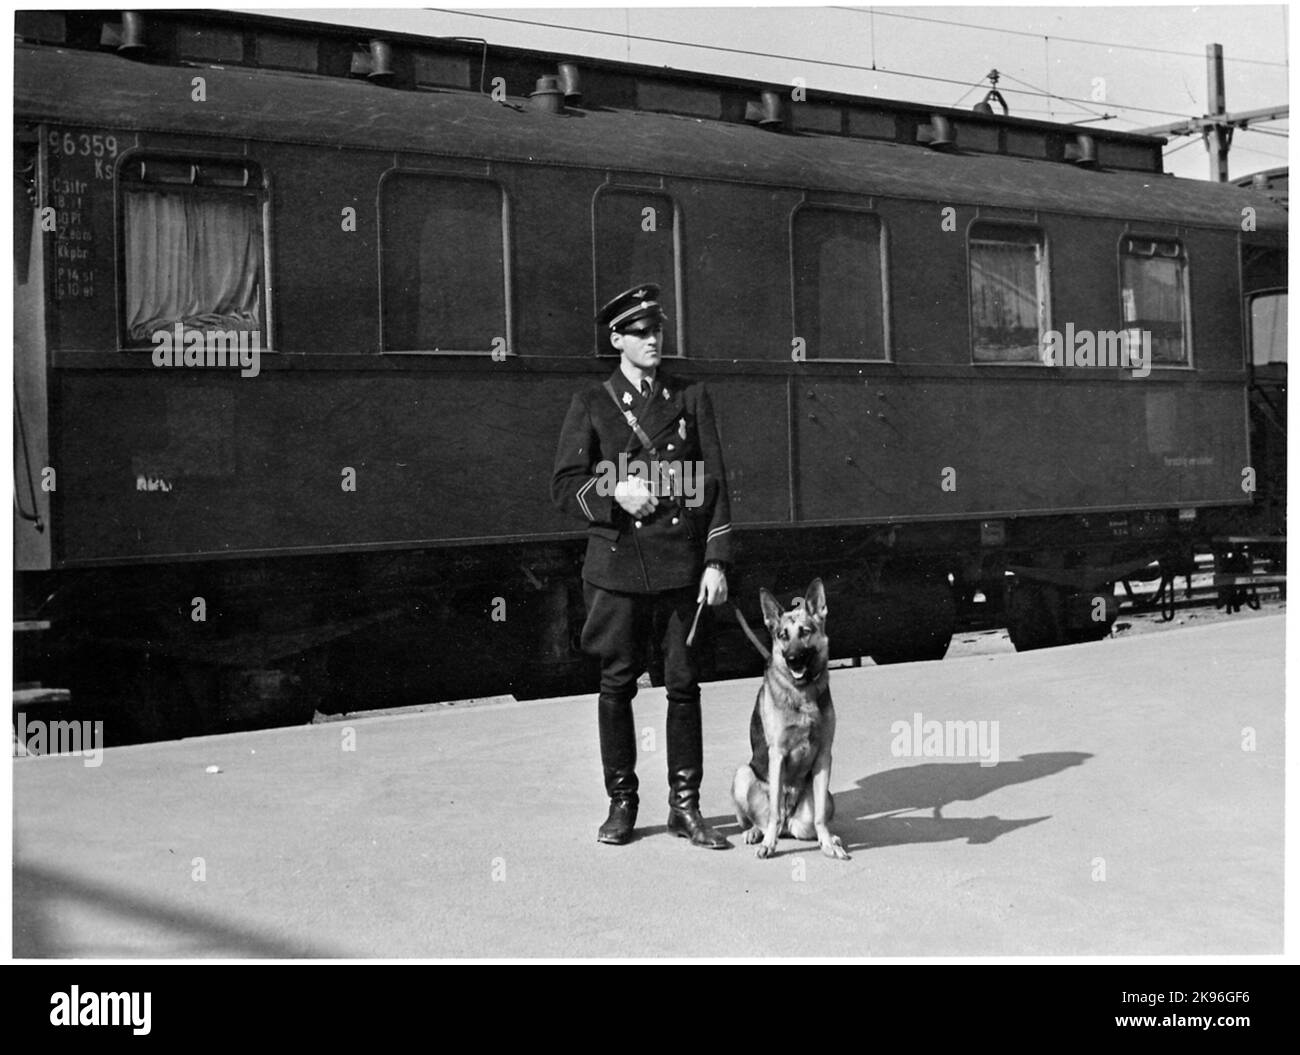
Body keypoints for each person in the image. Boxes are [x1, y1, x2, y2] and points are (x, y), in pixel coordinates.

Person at [551, 283, 734, 848]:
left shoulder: (690, 396)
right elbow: (564, 485)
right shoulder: (592, 403)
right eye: (640, 332)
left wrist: (717, 560)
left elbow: (716, 484)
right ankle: (622, 804)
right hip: (616, 566)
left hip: (681, 563)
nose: (653, 340)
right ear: (617, 341)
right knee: (616, 683)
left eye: (656, 330)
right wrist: (614, 497)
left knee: (683, 684)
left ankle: (686, 807)